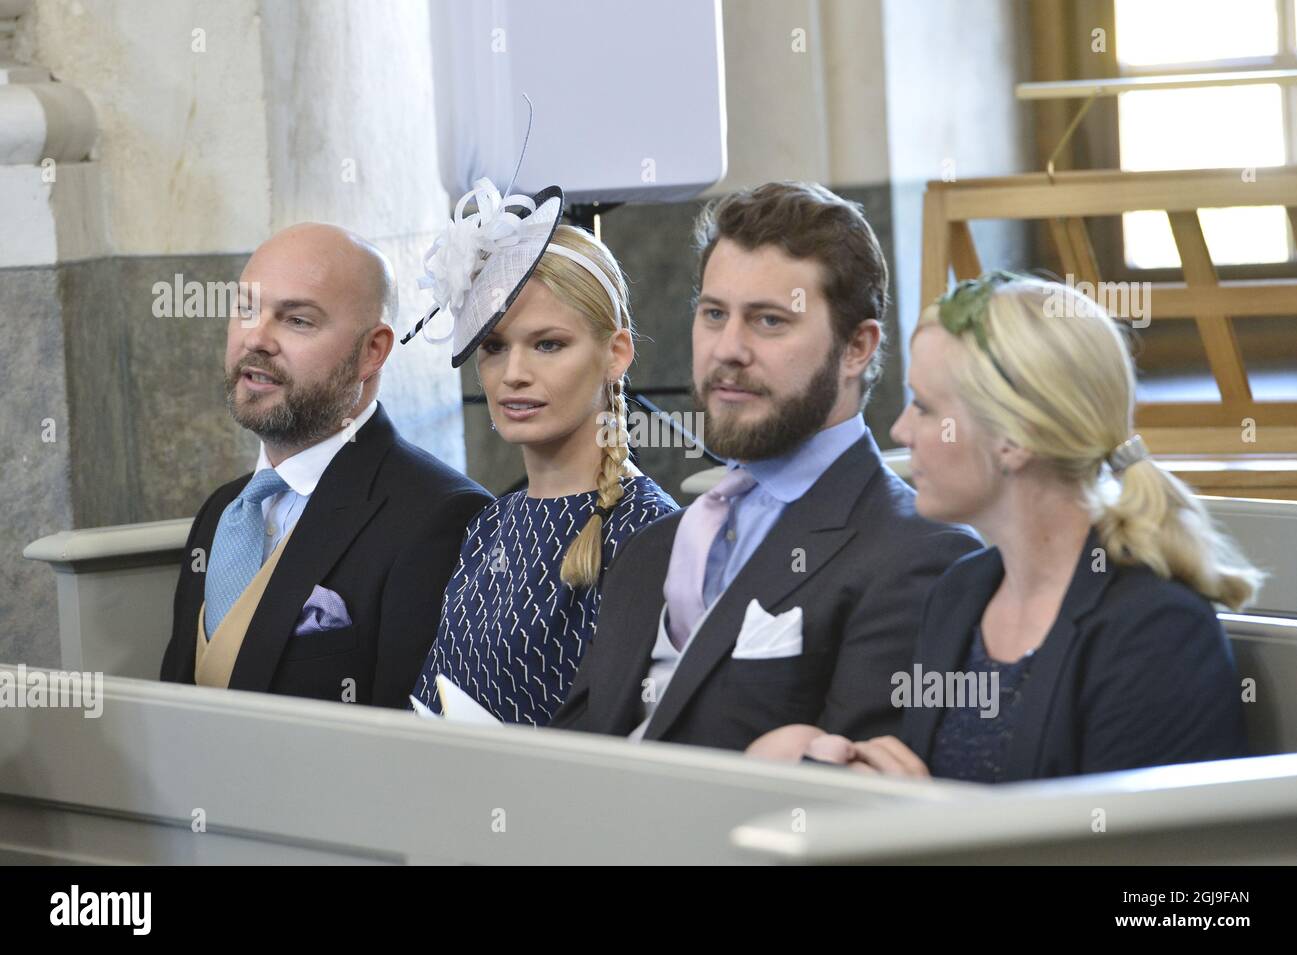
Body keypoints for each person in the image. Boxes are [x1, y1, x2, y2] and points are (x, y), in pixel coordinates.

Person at [748, 273, 1262, 780]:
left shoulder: (1155, 633)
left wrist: (929, 821)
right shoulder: (961, 592)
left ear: (1014, 440)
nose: (900, 430)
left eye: (925, 407)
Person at [548, 181, 981, 751]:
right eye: (713, 313)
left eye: (769, 321)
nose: (728, 349)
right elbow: (575, 755)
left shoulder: (921, 555)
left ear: (857, 348)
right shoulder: (650, 549)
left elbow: (856, 810)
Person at [160, 223, 492, 707]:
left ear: (372, 351)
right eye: (247, 309)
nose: (257, 339)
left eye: (298, 321)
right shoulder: (221, 511)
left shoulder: (440, 517)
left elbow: (411, 749)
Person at [407, 179, 676, 725]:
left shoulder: (649, 534)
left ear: (615, 353)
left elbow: (630, 737)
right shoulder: (488, 525)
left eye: (548, 344)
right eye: (494, 347)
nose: (514, 375)